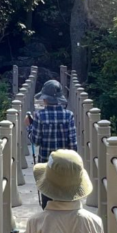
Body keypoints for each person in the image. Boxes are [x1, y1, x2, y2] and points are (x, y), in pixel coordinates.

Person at [26, 80, 77, 208]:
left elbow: (35, 141)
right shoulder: (69, 115)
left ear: (45, 99)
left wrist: (29, 127)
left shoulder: (39, 115)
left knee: (47, 195)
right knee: (64, 194)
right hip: (65, 164)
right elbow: (73, 144)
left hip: (46, 163)